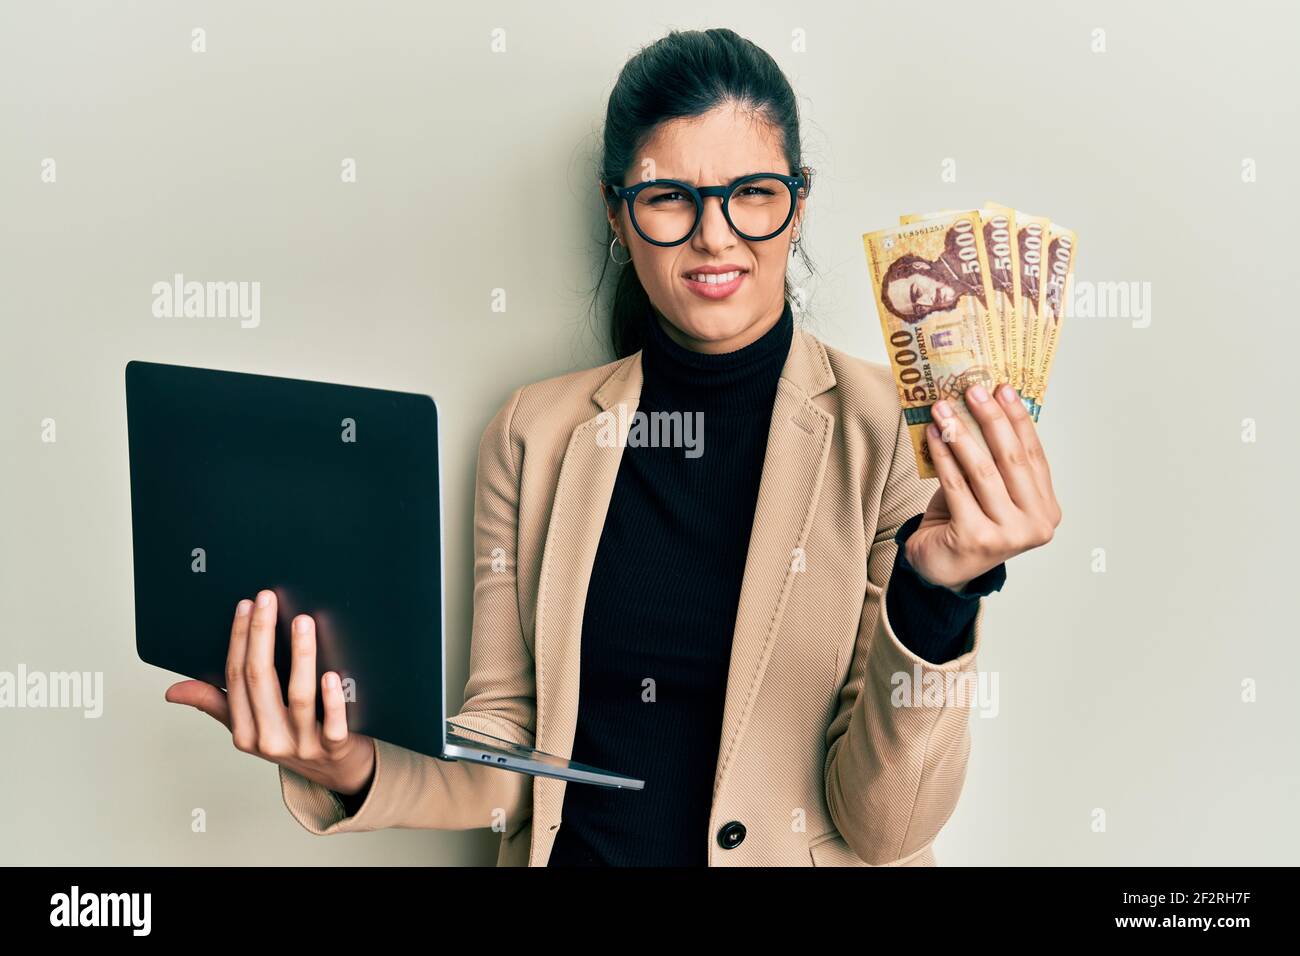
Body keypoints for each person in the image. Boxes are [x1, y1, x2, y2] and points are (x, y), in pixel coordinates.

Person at [165, 27, 1060, 867]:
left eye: (753, 194)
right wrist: (350, 765)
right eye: (669, 197)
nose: (716, 236)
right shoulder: (533, 434)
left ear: (798, 205)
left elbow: (886, 823)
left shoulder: (893, 433)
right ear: (617, 212)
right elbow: (512, 758)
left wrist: (937, 596)